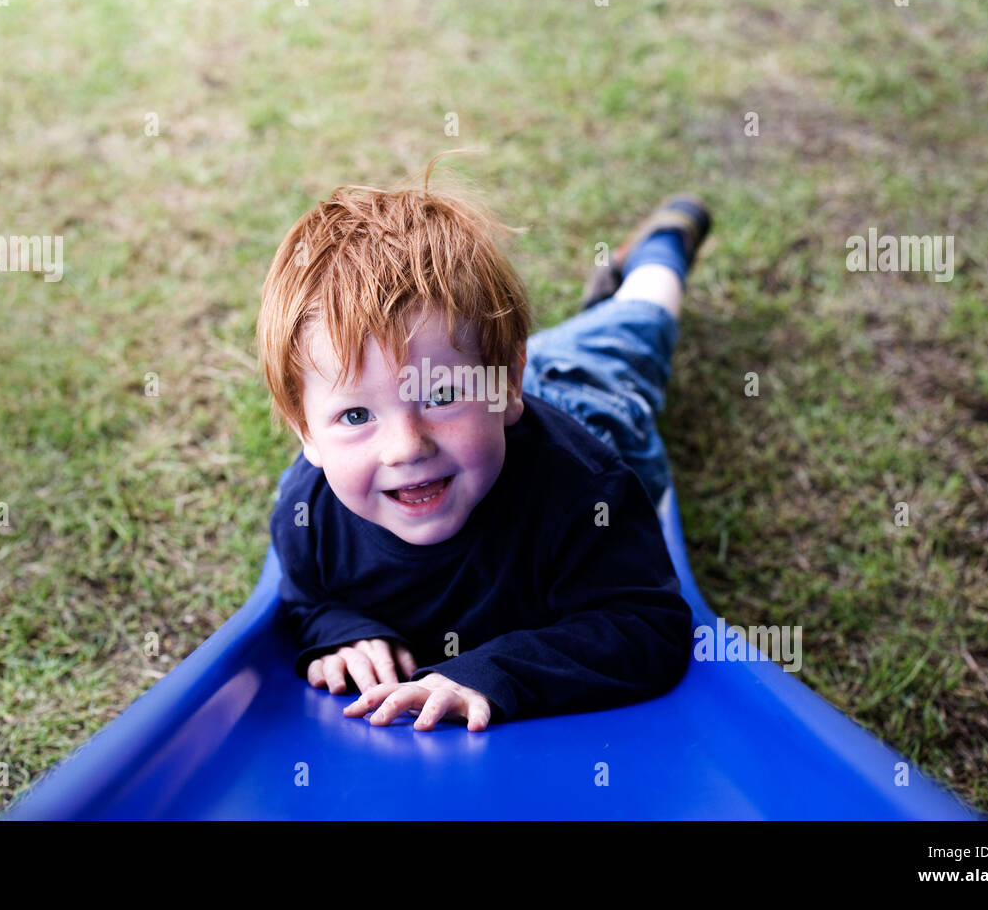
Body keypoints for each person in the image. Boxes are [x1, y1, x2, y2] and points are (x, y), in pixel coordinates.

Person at [257, 154, 711, 730]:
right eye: (354, 415)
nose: (405, 447)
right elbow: (308, 598)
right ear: (307, 436)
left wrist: (491, 672)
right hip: (491, 369)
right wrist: (344, 634)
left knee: (639, 328)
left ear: (509, 387)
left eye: (439, 395)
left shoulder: (584, 494)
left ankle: (658, 251)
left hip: (588, 397)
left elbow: (645, 625)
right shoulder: (309, 513)